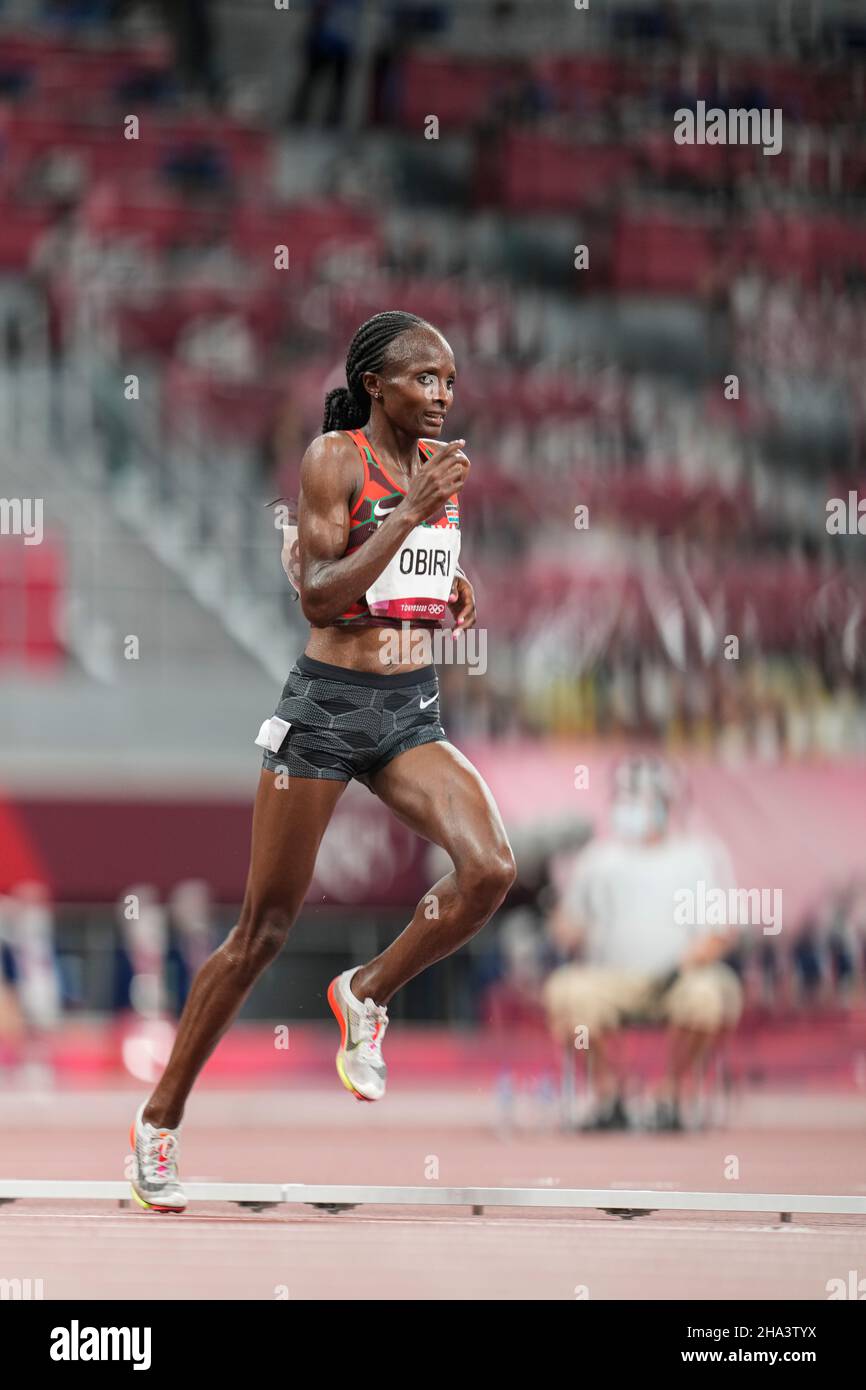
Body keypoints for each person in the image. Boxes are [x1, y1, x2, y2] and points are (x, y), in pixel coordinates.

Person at [130, 309, 516, 1211]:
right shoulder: (334, 459)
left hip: (410, 710)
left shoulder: (440, 469)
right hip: (327, 712)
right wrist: (411, 515)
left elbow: (403, 575)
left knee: (493, 867)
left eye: (450, 383)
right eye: (425, 380)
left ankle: (366, 992)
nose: (442, 396)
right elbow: (319, 596)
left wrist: (447, 585)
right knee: (262, 933)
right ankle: (158, 1124)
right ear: (376, 384)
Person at [542, 756, 742, 1131]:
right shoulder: (597, 859)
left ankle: (671, 1094)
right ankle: (609, 1094)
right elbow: (569, 930)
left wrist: (685, 965)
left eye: (640, 800)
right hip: (612, 981)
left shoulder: (699, 856)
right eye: (625, 799)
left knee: (708, 997)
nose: (629, 808)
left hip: (679, 978)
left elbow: (720, 931)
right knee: (566, 993)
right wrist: (542, 895)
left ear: (666, 805)